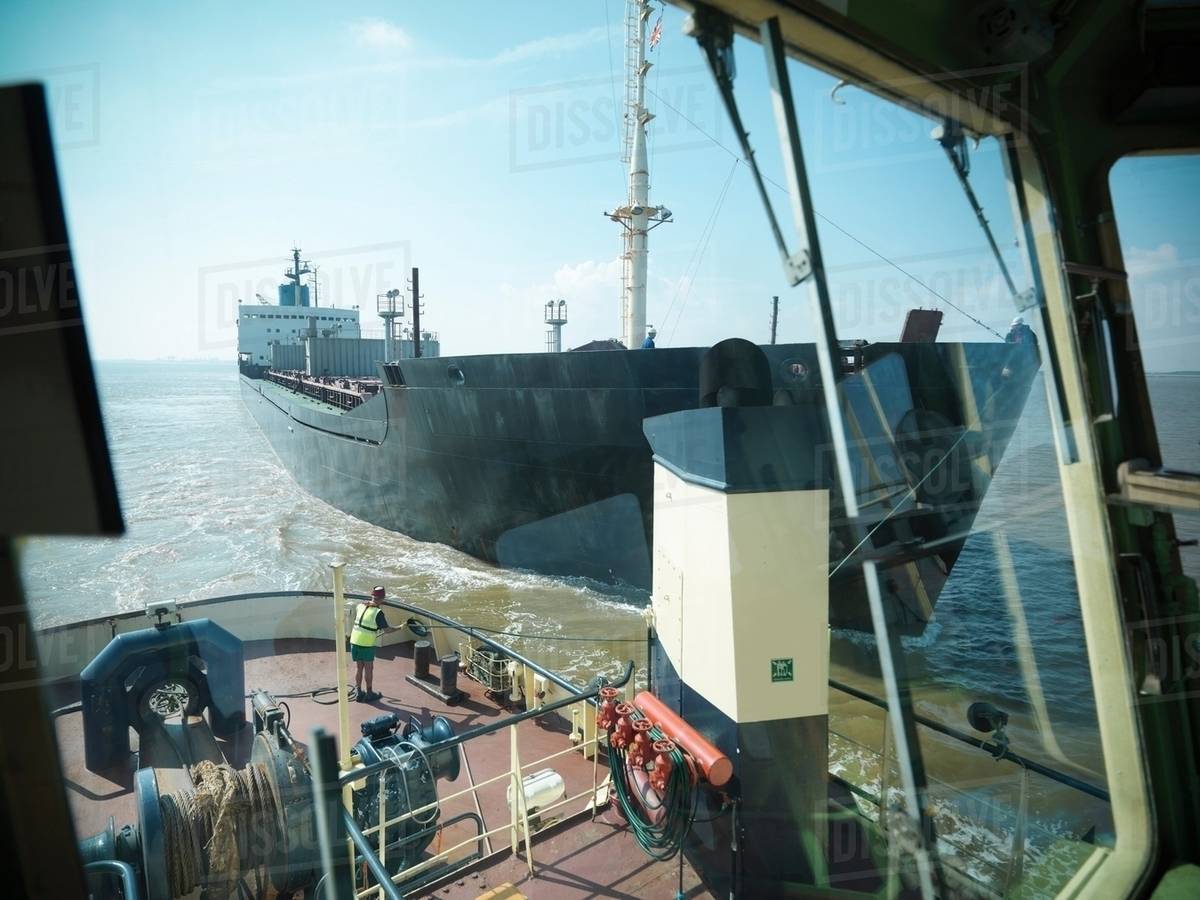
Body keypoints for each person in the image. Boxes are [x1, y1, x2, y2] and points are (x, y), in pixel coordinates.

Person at [350, 586, 398, 702]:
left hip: (354, 641)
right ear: (383, 598)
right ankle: (370, 693)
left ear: (371, 595)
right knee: (369, 669)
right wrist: (399, 628)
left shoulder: (360, 606)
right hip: (366, 644)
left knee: (359, 667)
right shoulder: (378, 613)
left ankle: (358, 692)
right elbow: (387, 630)